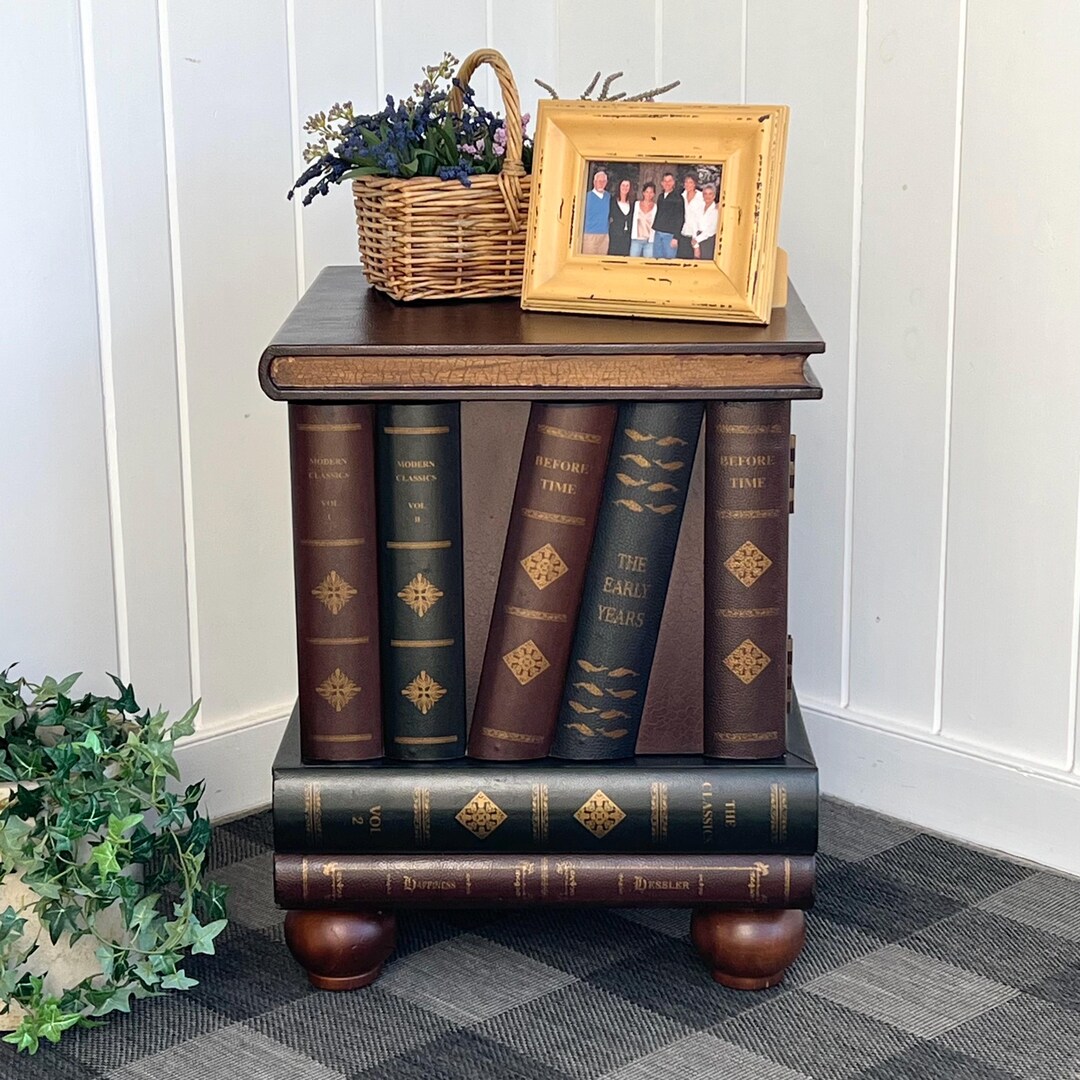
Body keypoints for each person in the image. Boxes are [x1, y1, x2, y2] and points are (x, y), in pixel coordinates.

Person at [652, 171, 683, 259]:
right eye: (665, 181)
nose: (667, 183)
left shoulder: (678, 198)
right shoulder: (661, 197)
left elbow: (680, 218)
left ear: (673, 182)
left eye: (669, 181)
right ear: (662, 183)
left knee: (669, 262)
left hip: (670, 236)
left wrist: (676, 237)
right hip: (658, 233)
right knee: (657, 261)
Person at [581, 168, 611, 256]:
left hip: (604, 235)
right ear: (594, 182)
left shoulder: (608, 196)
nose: (601, 183)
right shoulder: (586, 197)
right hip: (589, 235)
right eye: (599, 181)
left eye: (604, 181)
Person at [678, 174, 705, 259]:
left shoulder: (701, 197)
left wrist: (697, 241)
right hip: (683, 233)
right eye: (686, 182)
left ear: (695, 184)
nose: (688, 184)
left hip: (697, 234)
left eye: (690, 182)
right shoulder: (681, 196)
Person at [607, 178, 634, 256]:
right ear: (619, 187)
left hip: (626, 238)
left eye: (627, 186)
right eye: (623, 185)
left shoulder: (632, 203)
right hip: (614, 236)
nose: (625, 188)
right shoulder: (612, 201)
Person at [692, 183, 719, 260]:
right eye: (705, 194)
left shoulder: (716, 211)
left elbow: (711, 229)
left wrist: (697, 240)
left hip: (708, 241)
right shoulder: (699, 208)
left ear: (714, 196)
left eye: (710, 194)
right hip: (696, 239)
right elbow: (694, 224)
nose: (707, 196)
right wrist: (695, 243)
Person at [630, 181, 657, 257]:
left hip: (649, 241)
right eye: (647, 192)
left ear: (654, 194)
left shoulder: (656, 207)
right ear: (643, 193)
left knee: (647, 265)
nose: (648, 194)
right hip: (636, 240)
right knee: (633, 263)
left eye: (651, 192)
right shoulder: (636, 205)